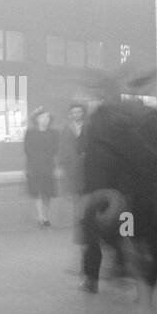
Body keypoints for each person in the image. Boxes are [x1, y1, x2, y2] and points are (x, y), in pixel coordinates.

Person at [80, 76, 157, 314]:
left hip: (125, 200)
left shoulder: (104, 121)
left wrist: (94, 194)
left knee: (133, 243)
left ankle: (137, 289)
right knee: (141, 246)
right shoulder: (142, 118)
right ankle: (144, 304)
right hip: (136, 199)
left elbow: (95, 164)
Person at [58, 102, 88, 247]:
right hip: (72, 167)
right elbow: (62, 148)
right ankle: (79, 220)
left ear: (83, 113)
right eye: (74, 112)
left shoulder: (88, 127)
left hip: (85, 166)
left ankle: (83, 219)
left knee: (84, 194)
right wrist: (66, 162)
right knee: (75, 195)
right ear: (70, 114)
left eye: (79, 112)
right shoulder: (66, 129)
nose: (77, 114)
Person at [24, 107, 59, 227]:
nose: (46, 119)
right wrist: (30, 167)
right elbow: (27, 150)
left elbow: (56, 149)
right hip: (35, 165)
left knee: (47, 193)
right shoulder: (30, 132)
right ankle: (40, 216)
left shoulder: (53, 133)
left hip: (49, 165)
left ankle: (46, 216)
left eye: (48, 117)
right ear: (37, 119)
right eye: (43, 117)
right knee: (37, 191)